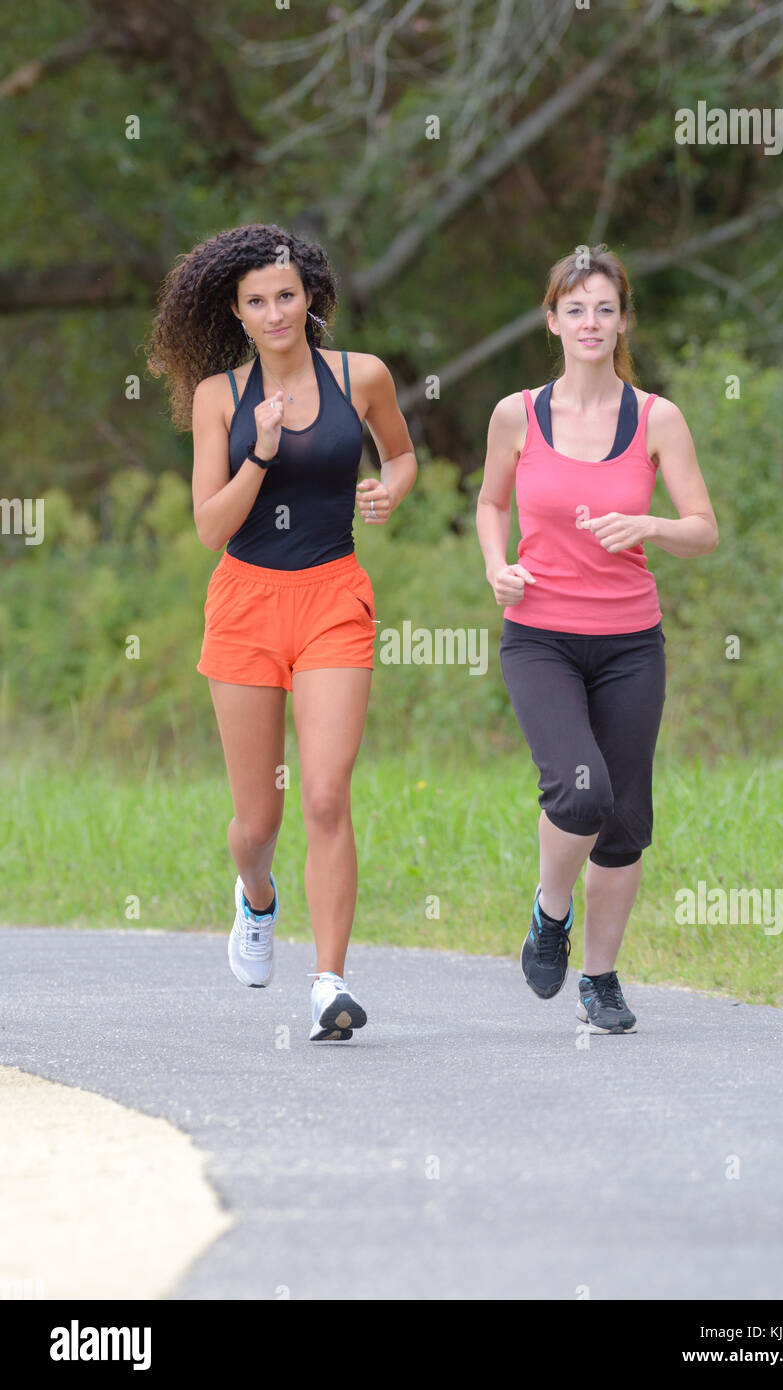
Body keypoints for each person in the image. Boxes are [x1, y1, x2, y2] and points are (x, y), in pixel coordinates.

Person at [146, 224, 417, 1041]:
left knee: (327, 795)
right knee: (258, 820)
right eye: (257, 301)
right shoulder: (218, 398)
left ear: (311, 299)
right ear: (235, 310)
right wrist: (258, 455)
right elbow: (207, 525)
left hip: (334, 594)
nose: (274, 313)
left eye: (286, 296)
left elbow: (402, 456)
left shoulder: (359, 376)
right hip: (246, 603)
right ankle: (256, 898)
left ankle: (329, 983)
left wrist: (388, 488)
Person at [476, 245, 718, 1034]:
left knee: (624, 820)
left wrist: (649, 523)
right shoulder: (517, 414)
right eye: (574, 308)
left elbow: (702, 530)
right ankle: (550, 914)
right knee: (580, 790)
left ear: (621, 321)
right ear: (552, 320)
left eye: (604, 308)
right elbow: (488, 505)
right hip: (539, 637)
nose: (590, 322)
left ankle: (602, 978)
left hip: (628, 644)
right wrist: (495, 566)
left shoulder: (656, 418)